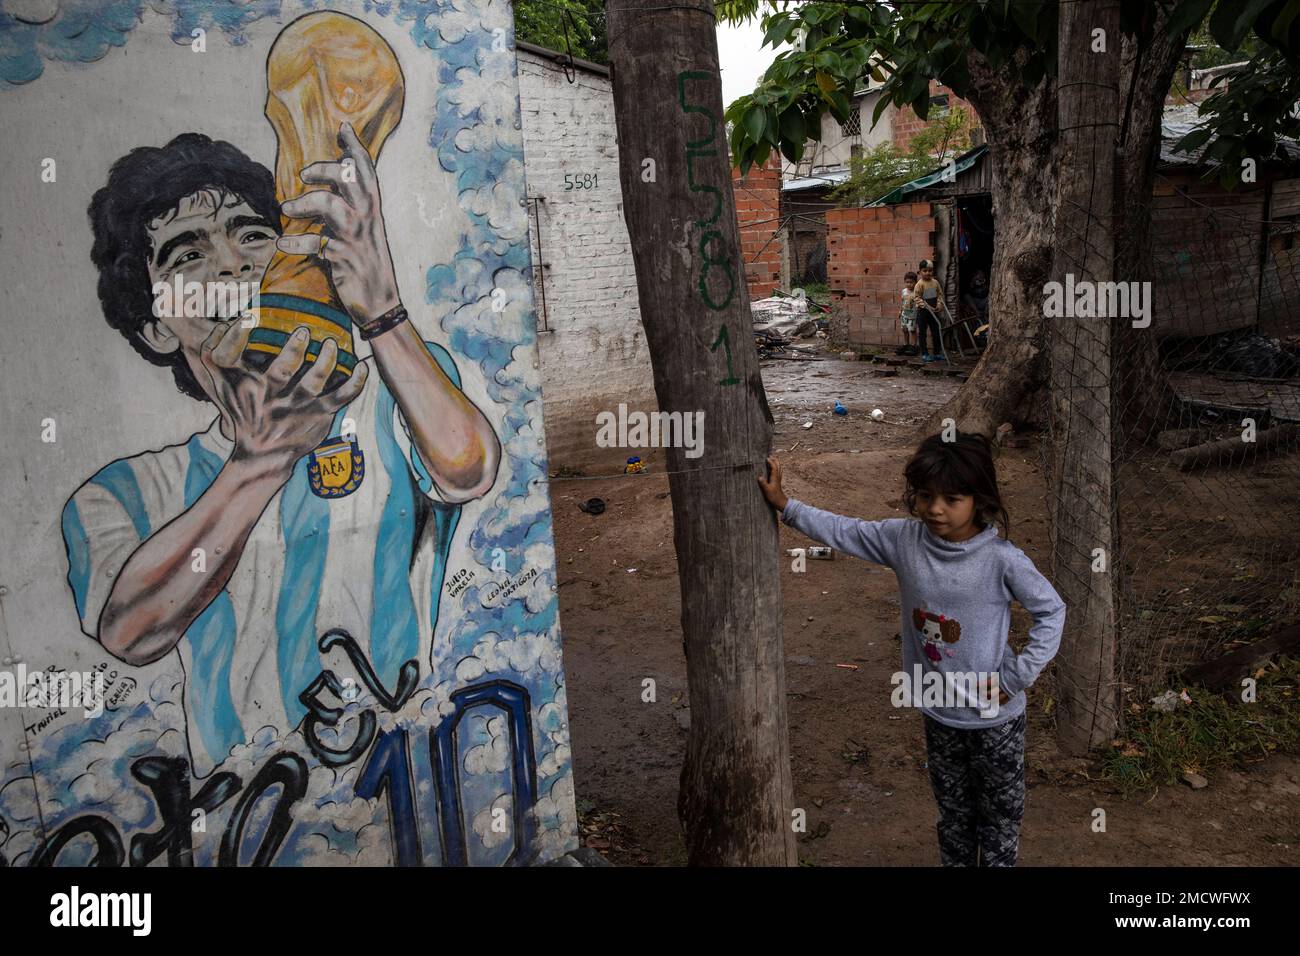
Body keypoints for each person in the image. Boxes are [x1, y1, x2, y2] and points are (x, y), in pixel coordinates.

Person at [64, 130, 501, 777]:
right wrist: (260, 461)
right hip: (250, 813)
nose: (233, 265)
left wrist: (381, 313)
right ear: (157, 325)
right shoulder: (125, 491)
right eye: (189, 253)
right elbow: (130, 630)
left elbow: (469, 467)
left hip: (416, 793)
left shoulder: (395, 395)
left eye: (252, 236)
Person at [756, 433, 1066, 866]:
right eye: (925, 496)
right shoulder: (904, 541)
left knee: (999, 821)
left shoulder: (1003, 560)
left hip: (996, 722)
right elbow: (847, 531)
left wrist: (1017, 677)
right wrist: (787, 506)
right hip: (939, 714)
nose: (935, 509)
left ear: (980, 500)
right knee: (954, 816)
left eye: (952, 498)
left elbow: (1052, 611)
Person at [913, 259, 946, 362]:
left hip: (934, 312)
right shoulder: (919, 284)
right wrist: (926, 306)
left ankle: (937, 353)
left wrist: (939, 305)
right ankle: (925, 353)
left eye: (930, 270)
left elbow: (940, 295)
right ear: (920, 272)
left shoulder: (935, 283)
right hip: (923, 312)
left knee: (936, 331)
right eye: (925, 270)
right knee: (922, 333)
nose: (928, 273)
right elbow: (917, 298)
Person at [898, 271, 919, 356]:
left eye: (911, 282)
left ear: (915, 282)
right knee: (904, 330)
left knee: (912, 330)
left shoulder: (916, 292)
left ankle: (914, 346)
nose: (909, 284)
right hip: (904, 315)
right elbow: (902, 301)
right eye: (907, 282)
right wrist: (900, 310)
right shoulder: (904, 291)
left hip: (912, 315)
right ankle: (906, 344)